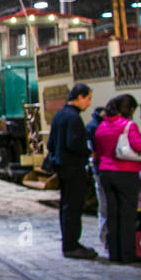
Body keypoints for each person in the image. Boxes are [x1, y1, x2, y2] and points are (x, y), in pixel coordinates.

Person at [93, 93, 141, 263]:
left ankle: (114, 253)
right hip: (126, 172)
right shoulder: (128, 125)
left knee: (112, 213)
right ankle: (128, 254)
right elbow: (138, 145)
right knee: (127, 214)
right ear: (130, 109)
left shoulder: (102, 126)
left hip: (105, 173)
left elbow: (99, 150)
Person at [45, 83, 95, 258]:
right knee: (74, 207)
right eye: (87, 99)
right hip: (74, 167)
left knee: (66, 206)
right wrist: (89, 152)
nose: (88, 103)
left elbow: (50, 144)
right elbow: (73, 143)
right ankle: (71, 245)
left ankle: (68, 241)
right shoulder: (73, 118)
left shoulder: (59, 115)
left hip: (62, 168)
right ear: (79, 97)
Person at [85, 103, 110, 251]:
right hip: (106, 169)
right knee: (106, 205)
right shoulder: (98, 127)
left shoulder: (94, 126)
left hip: (102, 169)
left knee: (104, 204)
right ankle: (107, 238)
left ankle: (106, 239)